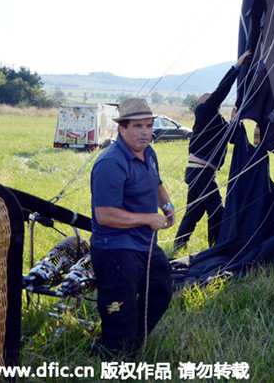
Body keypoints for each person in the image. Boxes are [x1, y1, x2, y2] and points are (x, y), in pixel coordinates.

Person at [89, 97, 175, 357]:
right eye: (138, 126)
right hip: (116, 249)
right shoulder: (110, 164)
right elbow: (104, 215)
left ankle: (132, 344)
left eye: (149, 125)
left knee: (160, 292)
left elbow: (156, 184)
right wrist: (149, 219)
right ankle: (111, 355)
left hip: (145, 245)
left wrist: (167, 206)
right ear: (121, 128)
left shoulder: (149, 152)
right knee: (120, 311)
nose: (146, 132)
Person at [174, 50, 251, 249]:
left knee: (194, 211)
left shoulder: (217, 122)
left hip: (201, 172)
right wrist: (236, 67)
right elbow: (220, 92)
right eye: (209, 99)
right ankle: (215, 247)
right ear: (203, 105)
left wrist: (234, 121)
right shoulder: (204, 112)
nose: (214, 100)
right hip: (200, 171)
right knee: (217, 209)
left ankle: (178, 245)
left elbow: (232, 138)